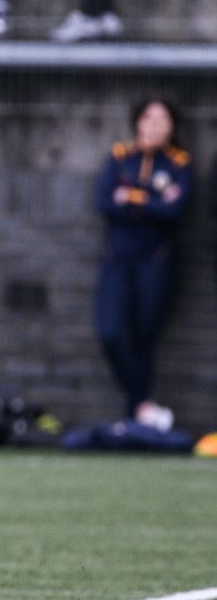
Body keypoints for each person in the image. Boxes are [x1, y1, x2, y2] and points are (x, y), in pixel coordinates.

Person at [94, 98, 191, 431]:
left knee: (144, 338)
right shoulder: (121, 157)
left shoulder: (178, 163)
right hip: (117, 260)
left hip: (156, 262)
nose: (155, 125)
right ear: (137, 122)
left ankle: (137, 416)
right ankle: (144, 405)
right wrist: (149, 199)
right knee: (110, 332)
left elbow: (173, 212)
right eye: (149, 118)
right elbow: (106, 202)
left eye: (163, 119)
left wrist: (132, 197)